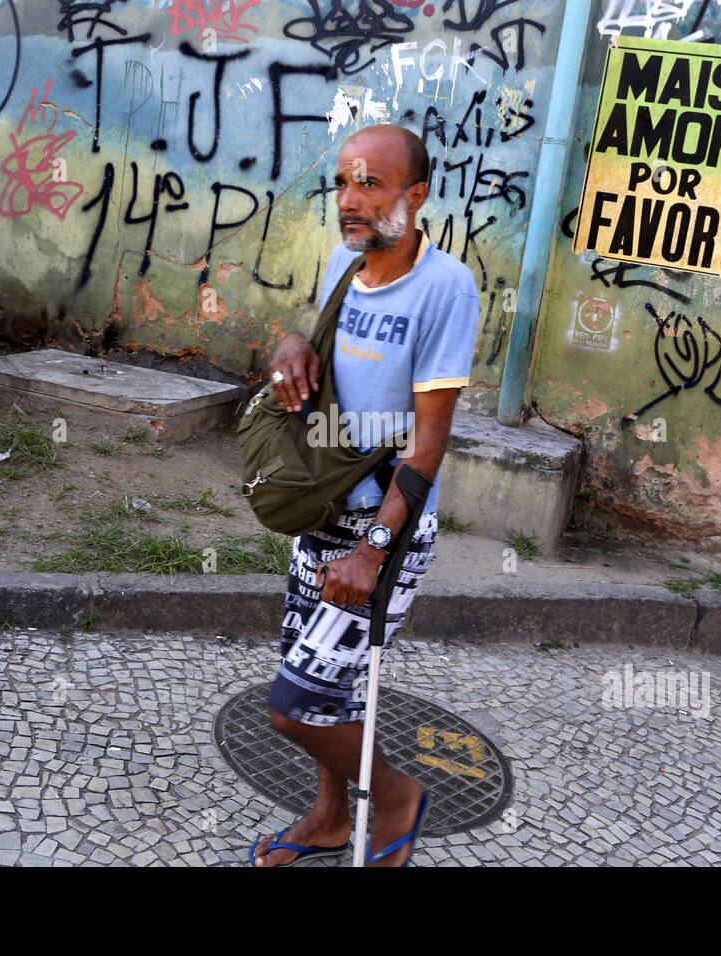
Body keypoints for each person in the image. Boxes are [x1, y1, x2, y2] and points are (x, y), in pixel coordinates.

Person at [248, 124, 480, 867]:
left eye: (370, 185)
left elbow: (429, 443)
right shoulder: (343, 267)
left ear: (415, 197)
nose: (349, 200)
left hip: (385, 529)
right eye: (343, 183)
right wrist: (290, 343)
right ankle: (326, 818)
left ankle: (395, 796)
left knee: (294, 706)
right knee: (332, 694)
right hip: (323, 513)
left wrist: (373, 551)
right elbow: (316, 361)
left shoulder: (445, 288)